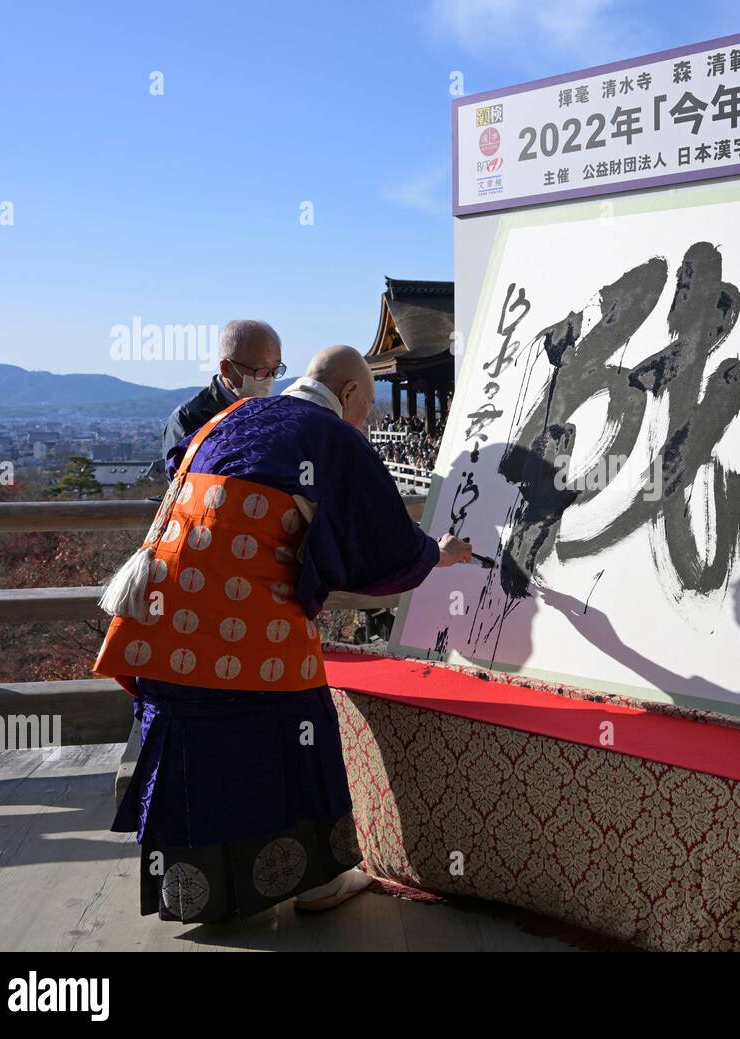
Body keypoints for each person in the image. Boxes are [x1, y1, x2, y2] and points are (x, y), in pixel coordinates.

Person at [95, 344, 472, 923]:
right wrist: (436, 555)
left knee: (194, 746)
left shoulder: (230, 417)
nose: (367, 421)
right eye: (368, 407)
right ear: (348, 393)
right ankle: (316, 884)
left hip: (164, 623)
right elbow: (383, 550)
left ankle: (196, 894)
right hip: (246, 630)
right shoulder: (330, 436)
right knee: (298, 728)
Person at [162, 319, 286, 466]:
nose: (269, 379)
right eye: (260, 370)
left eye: (276, 370)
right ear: (226, 368)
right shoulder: (189, 419)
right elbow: (182, 480)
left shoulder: (275, 412)